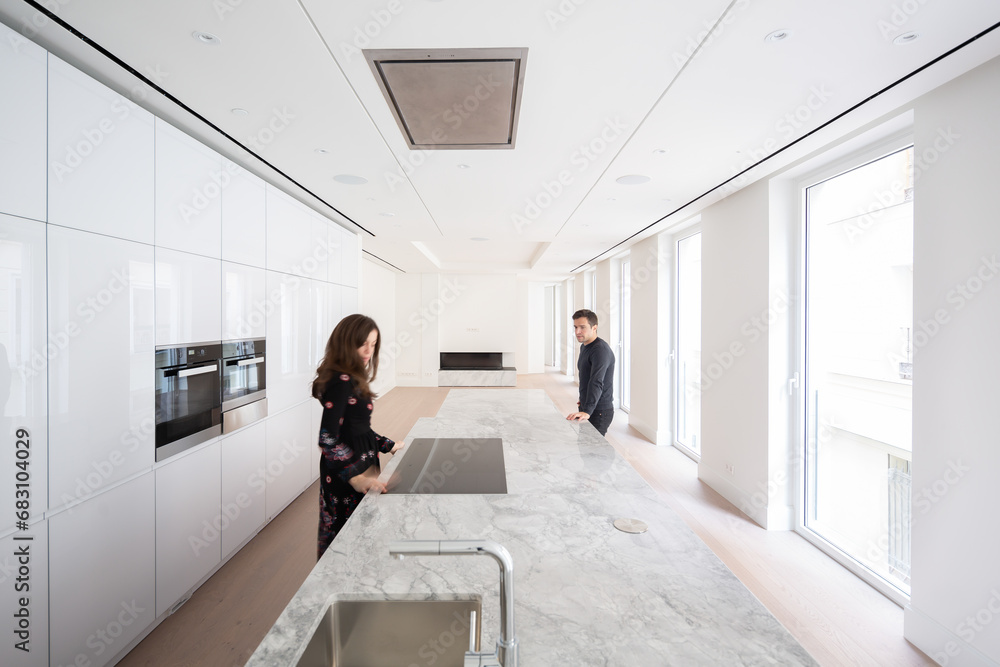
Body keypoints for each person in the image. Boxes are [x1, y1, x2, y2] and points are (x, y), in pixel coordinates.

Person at [312, 314, 403, 559]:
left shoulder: (350, 378)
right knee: (346, 541)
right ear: (345, 342)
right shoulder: (341, 382)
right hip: (347, 473)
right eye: (362, 343)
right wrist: (356, 477)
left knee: (358, 534)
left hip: (362, 465)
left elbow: (358, 428)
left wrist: (387, 445)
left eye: (373, 344)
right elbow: (328, 439)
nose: (368, 351)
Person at [566, 309, 616, 436]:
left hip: (600, 410)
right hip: (589, 405)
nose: (577, 332)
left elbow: (596, 381)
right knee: (584, 446)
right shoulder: (585, 346)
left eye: (582, 327)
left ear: (594, 327)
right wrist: (584, 399)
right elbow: (586, 377)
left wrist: (587, 410)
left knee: (593, 452)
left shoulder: (600, 350)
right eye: (575, 327)